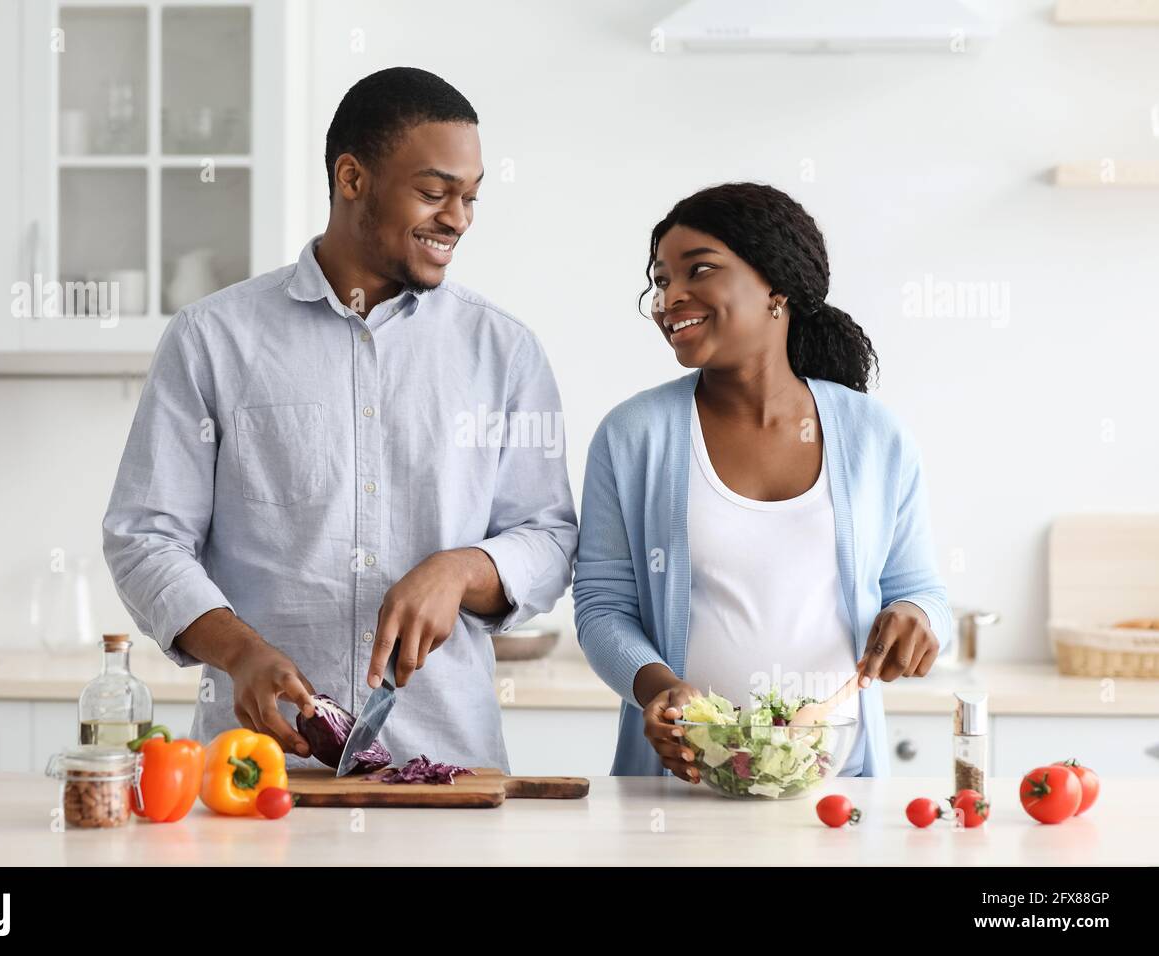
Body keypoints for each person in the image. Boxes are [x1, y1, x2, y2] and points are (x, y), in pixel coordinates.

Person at [103, 67, 577, 771]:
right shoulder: (212, 339)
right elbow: (145, 539)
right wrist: (240, 652)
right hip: (258, 773)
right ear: (352, 178)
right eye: (433, 191)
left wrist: (463, 568)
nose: (458, 218)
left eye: (470, 198)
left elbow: (549, 537)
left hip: (447, 768)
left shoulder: (503, 351)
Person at [573, 183, 950, 779]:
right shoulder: (633, 435)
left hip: (837, 788)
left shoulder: (874, 434)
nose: (671, 297)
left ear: (776, 286)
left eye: (699, 270)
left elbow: (922, 589)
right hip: (681, 781)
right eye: (662, 279)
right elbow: (602, 608)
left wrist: (915, 616)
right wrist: (658, 689)